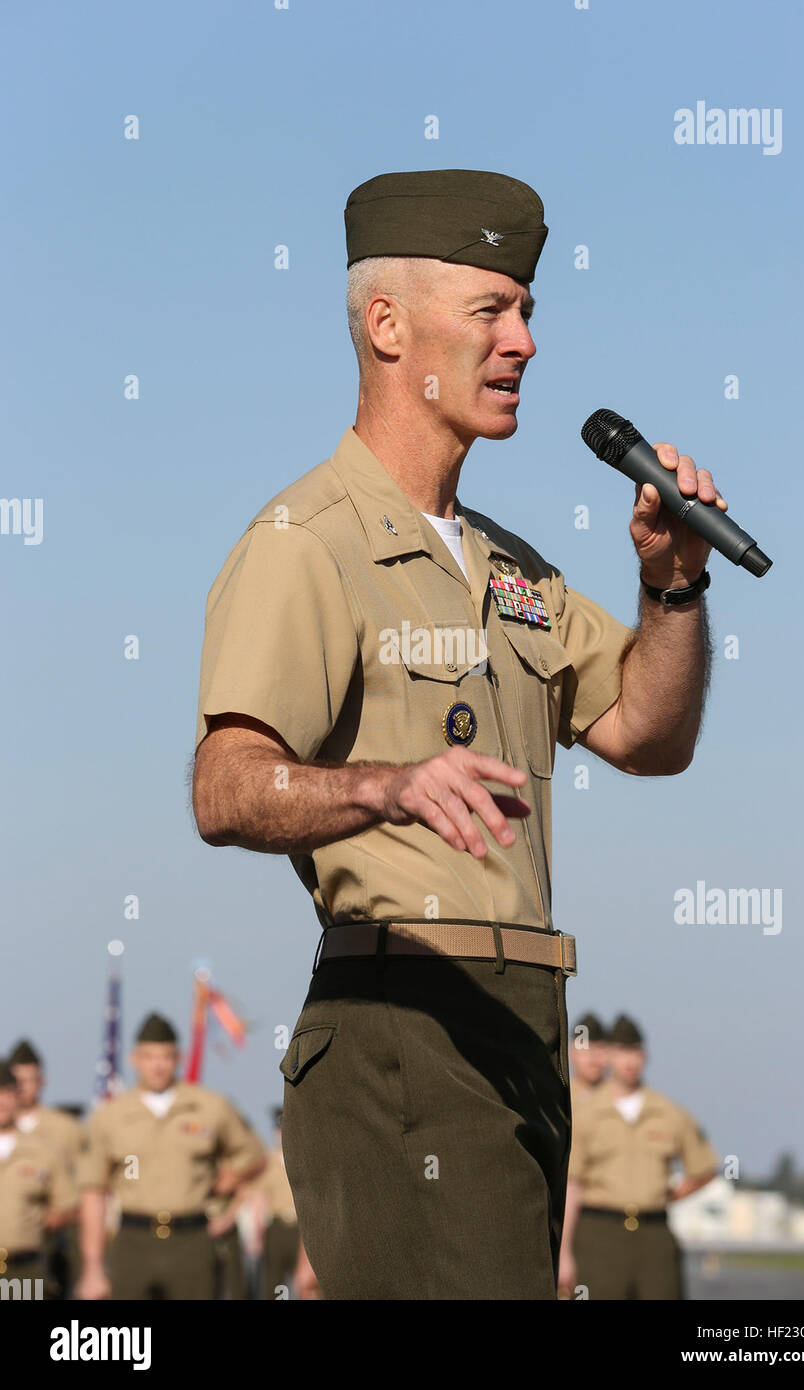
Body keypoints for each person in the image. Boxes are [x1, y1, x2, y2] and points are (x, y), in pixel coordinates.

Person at [192, 168, 723, 1299]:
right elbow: (225, 787)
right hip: (404, 1026)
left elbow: (643, 730)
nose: (523, 341)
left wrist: (671, 594)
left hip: (520, 1022)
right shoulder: (305, 539)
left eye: (525, 310)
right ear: (387, 326)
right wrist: (385, 787)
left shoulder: (505, 564)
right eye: (491, 309)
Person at [76, 1012, 265, 1300]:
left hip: (191, 1239)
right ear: (134, 1059)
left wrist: (227, 1182)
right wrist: (92, 1267)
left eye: (165, 1056)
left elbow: (252, 1156)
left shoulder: (209, 1107)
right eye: (149, 1056)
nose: (158, 1065)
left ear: (178, 1058)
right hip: (133, 1240)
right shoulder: (110, 1117)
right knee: (130, 1341)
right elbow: (93, 1191)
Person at [569, 1014, 719, 1299]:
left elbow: (704, 1167)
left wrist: (670, 1195)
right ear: (609, 1056)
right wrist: (564, 1253)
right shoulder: (585, 1113)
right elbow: (572, 1185)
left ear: (645, 1056)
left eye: (635, 1052)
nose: (629, 1061)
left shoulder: (669, 1112)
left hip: (654, 1230)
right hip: (598, 1231)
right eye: (622, 1052)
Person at [9, 1038, 83, 1298]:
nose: (23, 1088)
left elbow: (84, 1183)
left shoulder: (66, 1129)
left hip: (54, 1241)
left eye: (30, 1079)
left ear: (42, 1081)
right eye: (16, 1081)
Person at [558, 1012, 610, 1294]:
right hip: (565, 1215)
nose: (594, 1058)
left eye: (601, 1050)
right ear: (571, 1051)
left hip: (606, 1223)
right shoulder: (560, 1098)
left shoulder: (622, 1103)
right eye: (586, 1048)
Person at [250, 1107, 301, 1300]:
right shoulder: (267, 1163)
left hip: (301, 1229)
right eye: (279, 1130)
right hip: (277, 1227)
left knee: (305, 1282)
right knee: (276, 1284)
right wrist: (257, 1233)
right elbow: (259, 1199)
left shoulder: (302, 1160)